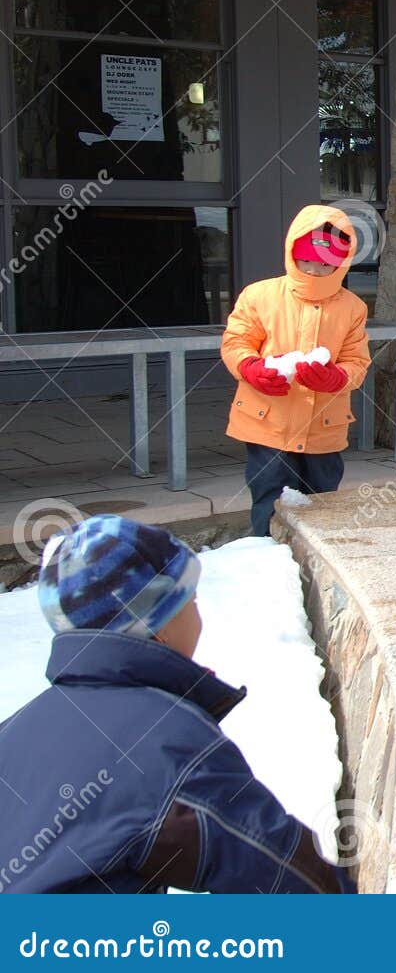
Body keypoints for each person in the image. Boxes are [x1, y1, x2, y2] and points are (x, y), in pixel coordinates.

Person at [0, 516, 352, 894]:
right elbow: (291, 881)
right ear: (158, 623)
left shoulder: (15, 728)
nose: (198, 612)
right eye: (191, 598)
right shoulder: (167, 744)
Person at [221, 204, 371, 537]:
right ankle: (267, 558)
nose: (315, 273)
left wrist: (338, 377)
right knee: (270, 500)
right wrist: (251, 368)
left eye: (325, 266)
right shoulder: (260, 296)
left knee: (323, 502)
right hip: (268, 424)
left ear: (341, 264)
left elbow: (357, 361)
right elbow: (236, 342)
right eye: (307, 262)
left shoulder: (352, 308)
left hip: (324, 430)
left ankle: (317, 562)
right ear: (292, 254)